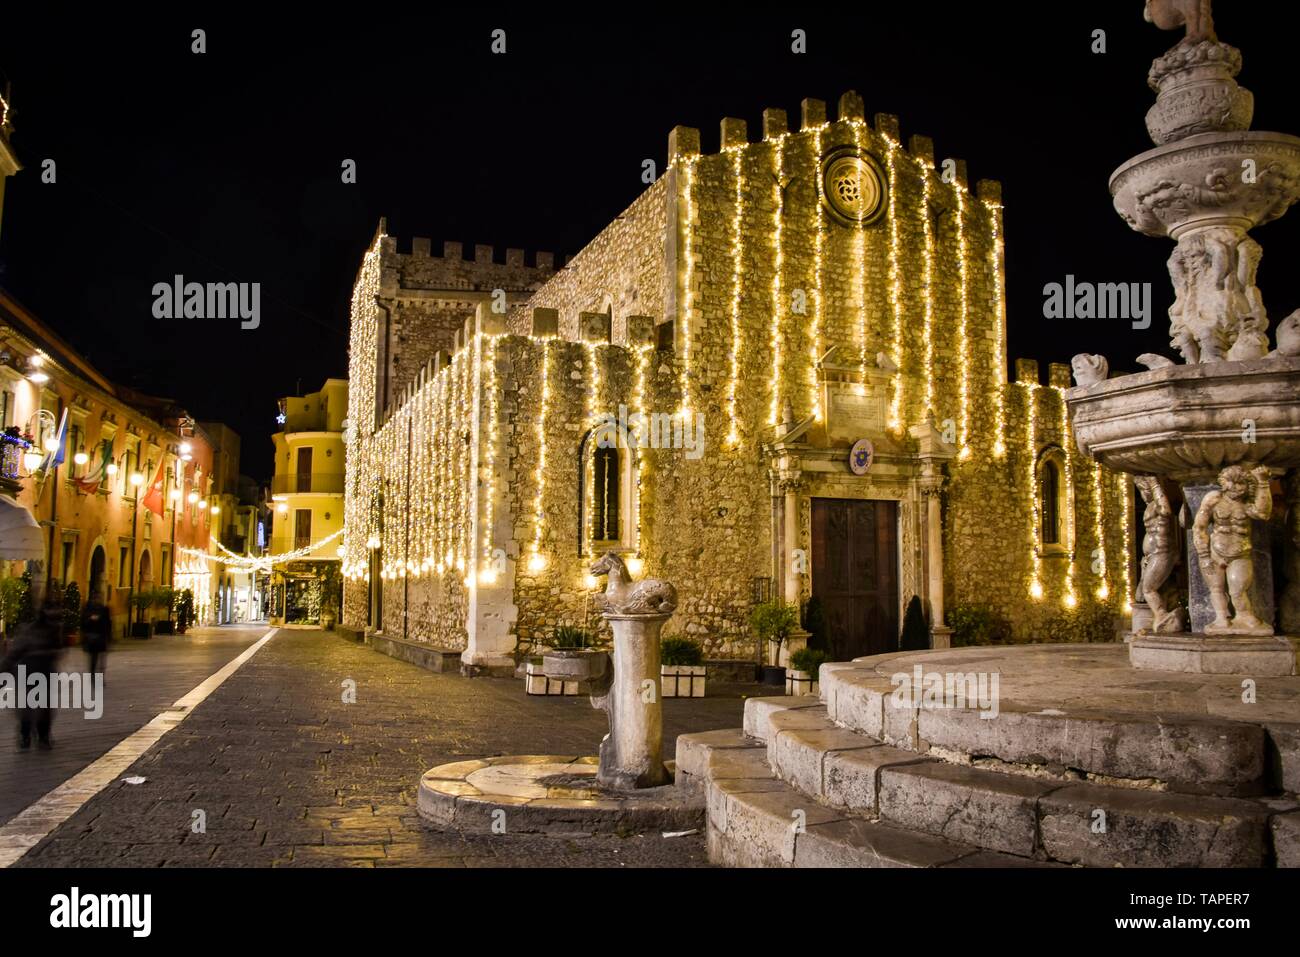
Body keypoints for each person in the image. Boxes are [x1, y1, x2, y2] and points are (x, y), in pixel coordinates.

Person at [0, 593, 66, 749]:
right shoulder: (37, 630)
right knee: (32, 706)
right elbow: (15, 652)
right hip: (30, 671)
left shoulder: (53, 629)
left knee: (38, 706)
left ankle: (35, 736)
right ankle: (31, 735)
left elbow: (57, 650)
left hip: (41, 672)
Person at [80, 585, 111, 677]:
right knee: (94, 658)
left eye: (99, 597)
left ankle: (100, 676)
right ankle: (93, 675)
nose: (97, 599)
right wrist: (90, 619)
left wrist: (109, 637)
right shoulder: (87, 609)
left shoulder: (104, 609)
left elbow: (108, 623)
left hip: (101, 637)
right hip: (92, 637)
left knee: (101, 660)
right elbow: (83, 622)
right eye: (96, 597)